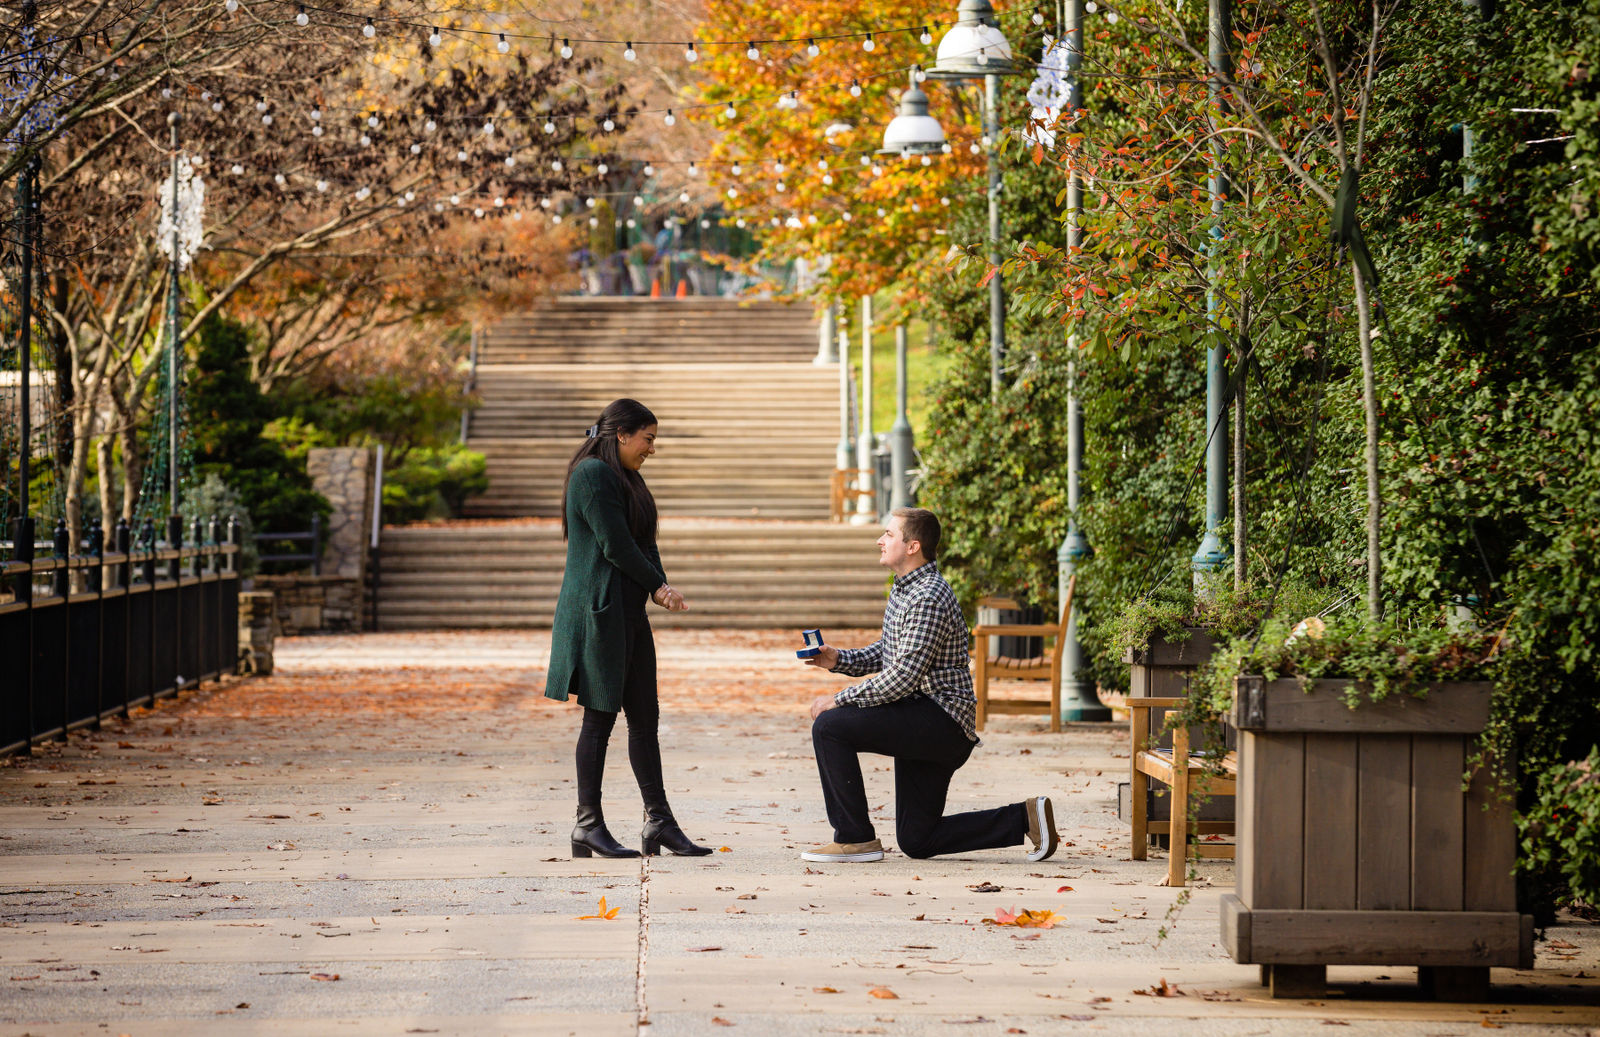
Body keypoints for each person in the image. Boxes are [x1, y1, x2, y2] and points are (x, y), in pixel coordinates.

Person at [802, 507, 1059, 864]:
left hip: (939, 721)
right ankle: (1025, 818)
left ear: (913, 546)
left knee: (830, 727)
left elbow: (903, 676)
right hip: (922, 717)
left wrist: (839, 699)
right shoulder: (907, 590)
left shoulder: (927, 596)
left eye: (889, 534)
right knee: (917, 839)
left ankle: (854, 838)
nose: (880, 540)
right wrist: (839, 660)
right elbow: (893, 653)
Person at [544, 399, 711, 859]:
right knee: (599, 719)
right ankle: (587, 824)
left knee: (645, 718)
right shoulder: (591, 476)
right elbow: (614, 546)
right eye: (648, 439)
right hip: (598, 613)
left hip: (627, 613)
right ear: (621, 433)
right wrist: (658, 588)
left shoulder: (628, 478)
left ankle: (659, 822)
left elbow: (644, 543)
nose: (651, 449)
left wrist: (662, 583)